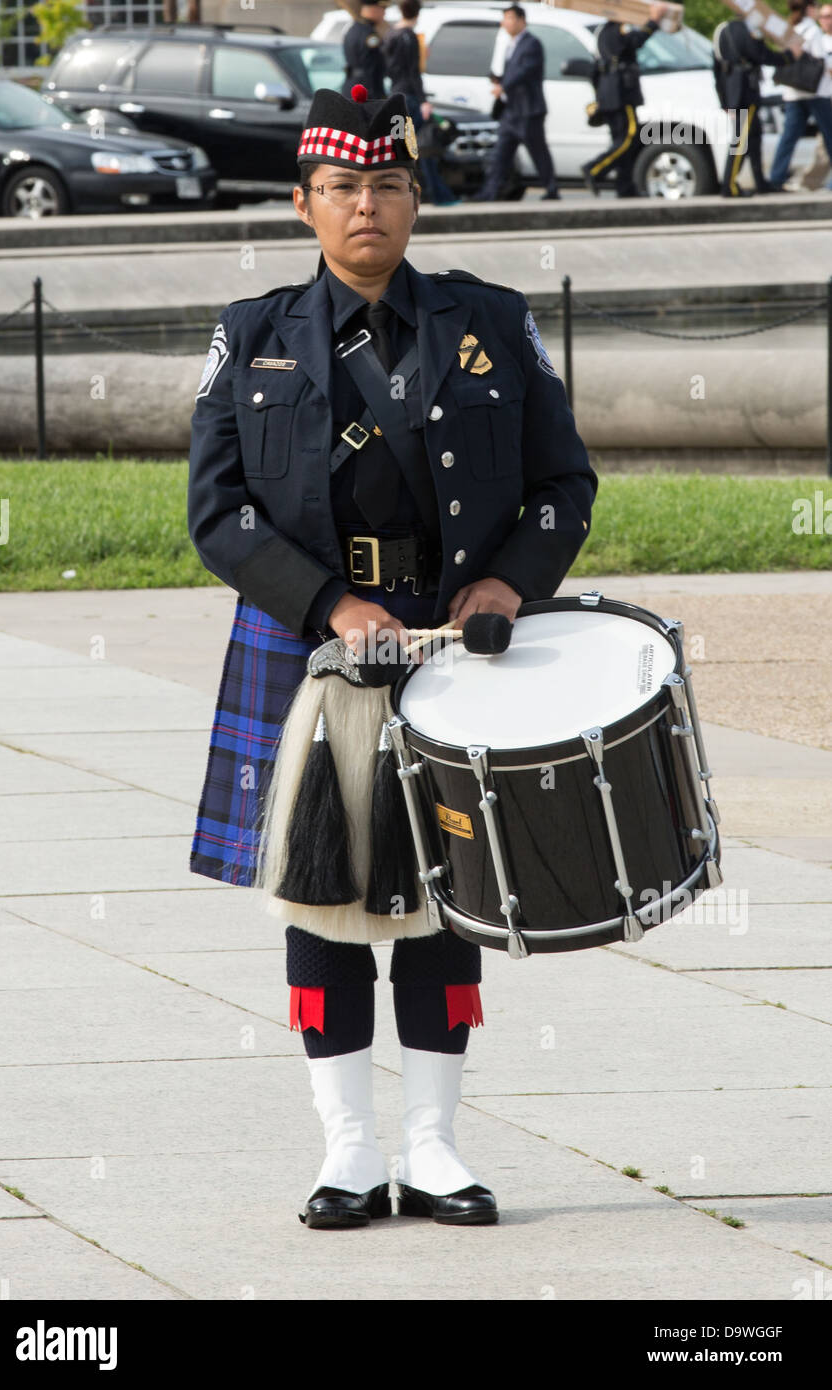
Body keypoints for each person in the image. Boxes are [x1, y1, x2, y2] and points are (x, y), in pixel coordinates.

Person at [187, 84, 597, 1230]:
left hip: (455, 650)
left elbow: (563, 485)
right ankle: (350, 1151)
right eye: (341, 188)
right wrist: (326, 601)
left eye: (387, 185)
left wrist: (508, 581)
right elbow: (217, 514)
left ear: (416, 198)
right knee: (322, 905)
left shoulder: (492, 322)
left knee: (450, 902)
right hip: (309, 650)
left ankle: (433, 1145)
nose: (364, 205)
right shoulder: (252, 334)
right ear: (303, 202)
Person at [472, 4, 559, 202]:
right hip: (511, 110)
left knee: (538, 152)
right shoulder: (509, 44)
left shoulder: (531, 43)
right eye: (505, 19)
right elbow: (511, 73)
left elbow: (524, 71)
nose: (506, 23)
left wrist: (504, 86)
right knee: (501, 153)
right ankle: (489, 192)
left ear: (522, 21)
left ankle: (551, 189)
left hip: (528, 110)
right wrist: (497, 79)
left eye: (510, 18)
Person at [581, 5, 670, 198]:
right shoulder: (620, 28)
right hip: (621, 93)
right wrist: (653, 21)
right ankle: (595, 169)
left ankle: (625, 187)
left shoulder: (601, 31)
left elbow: (595, 70)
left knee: (621, 141)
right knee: (629, 138)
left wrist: (600, 96)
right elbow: (636, 41)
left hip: (609, 93)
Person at [382, 0, 459, 205]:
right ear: (418, 13)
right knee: (422, 147)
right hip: (410, 96)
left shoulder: (390, 35)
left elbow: (389, 68)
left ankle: (400, 190)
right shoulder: (409, 37)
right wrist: (424, 101)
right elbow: (413, 73)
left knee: (399, 146)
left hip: (395, 94)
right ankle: (438, 194)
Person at [713, 15, 796, 197]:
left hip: (732, 90)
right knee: (741, 139)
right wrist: (789, 56)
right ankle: (729, 186)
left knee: (754, 136)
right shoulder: (749, 28)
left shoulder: (722, 28)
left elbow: (717, 68)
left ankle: (760, 182)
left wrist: (724, 100)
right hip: (745, 91)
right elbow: (761, 54)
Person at [768, 0, 832, 191]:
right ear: (810, 9)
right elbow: (822, 62)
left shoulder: (791, 28)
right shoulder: (812, 31)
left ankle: (776, 178)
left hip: (793, 92)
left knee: (789, 137)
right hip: (816, 92)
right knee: (830, 137)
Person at [342, 0, 388, 101]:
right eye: (383, 9)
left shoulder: (352, 29)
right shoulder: (370, 34)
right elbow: (374, 66)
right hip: (366, 91)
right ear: (372, 9)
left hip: (351, 88)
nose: (384, 13)